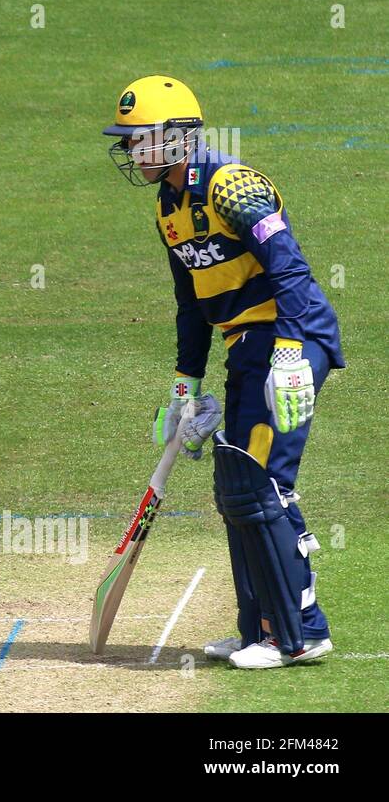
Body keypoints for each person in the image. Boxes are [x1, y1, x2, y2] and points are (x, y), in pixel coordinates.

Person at [103, 75, 343, 668]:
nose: (132, 151)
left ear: (178, 137)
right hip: (245, 344)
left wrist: (289, 354)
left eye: (140, 139)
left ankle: (301, 633)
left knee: (263, 484)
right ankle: (258, 630)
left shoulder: (231, 186)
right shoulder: (169, 206)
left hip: (293, 334)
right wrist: (189, 386)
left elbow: (287, 265)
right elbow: (191, 303)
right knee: (236, 485)